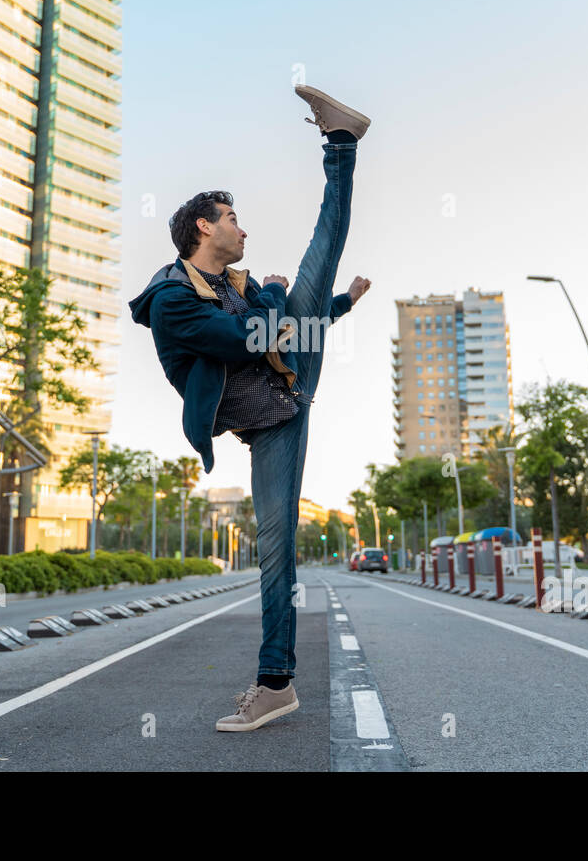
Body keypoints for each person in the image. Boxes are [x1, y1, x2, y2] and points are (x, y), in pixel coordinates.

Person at [129, 84, 372, 731]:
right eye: (233, 219)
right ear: (204, 227)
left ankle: (341, 144)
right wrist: (270, 293)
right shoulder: (174, 303)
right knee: (274, 547)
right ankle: (277, 683)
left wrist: (334, 304)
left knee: (321, 256)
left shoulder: (235, 284)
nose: (243, 228)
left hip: (286, 383)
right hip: (273, 418)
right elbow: (249, 337)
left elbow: (282, 329)